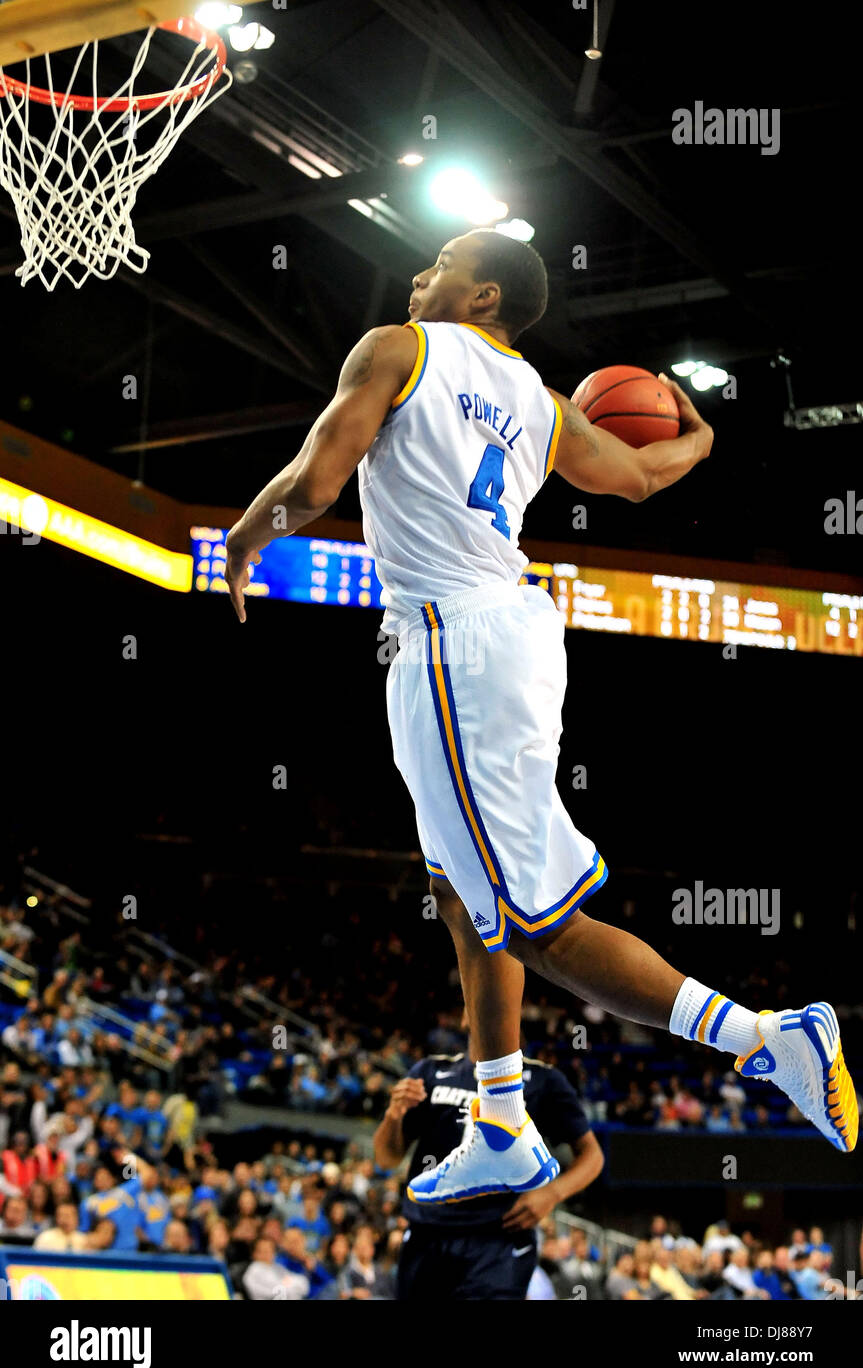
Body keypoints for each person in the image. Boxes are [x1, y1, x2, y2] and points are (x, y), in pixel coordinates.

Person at [225, 229, 857, 1204]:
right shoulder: (544, 407)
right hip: (490, 639)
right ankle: (503, 1119)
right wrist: (699, 436)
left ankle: (767, 1037)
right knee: (456, 888)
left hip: (453, 647)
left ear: (479, 298)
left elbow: (314, 480)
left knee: (536, 926)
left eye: (436, 266)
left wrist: (240, 537)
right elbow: (639, 478)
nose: (416, 277)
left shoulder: (397, 347)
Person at [373, 1012, 602, 1301]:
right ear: (463, 1016)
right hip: (428, 1234)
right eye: (474, 991)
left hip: (499, 1238)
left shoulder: (544, 1080)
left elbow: (593, 1157)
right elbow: (385, 1159)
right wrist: (393, 1115)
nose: (482, 997)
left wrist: (552, 1194)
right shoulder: (430, 1071)